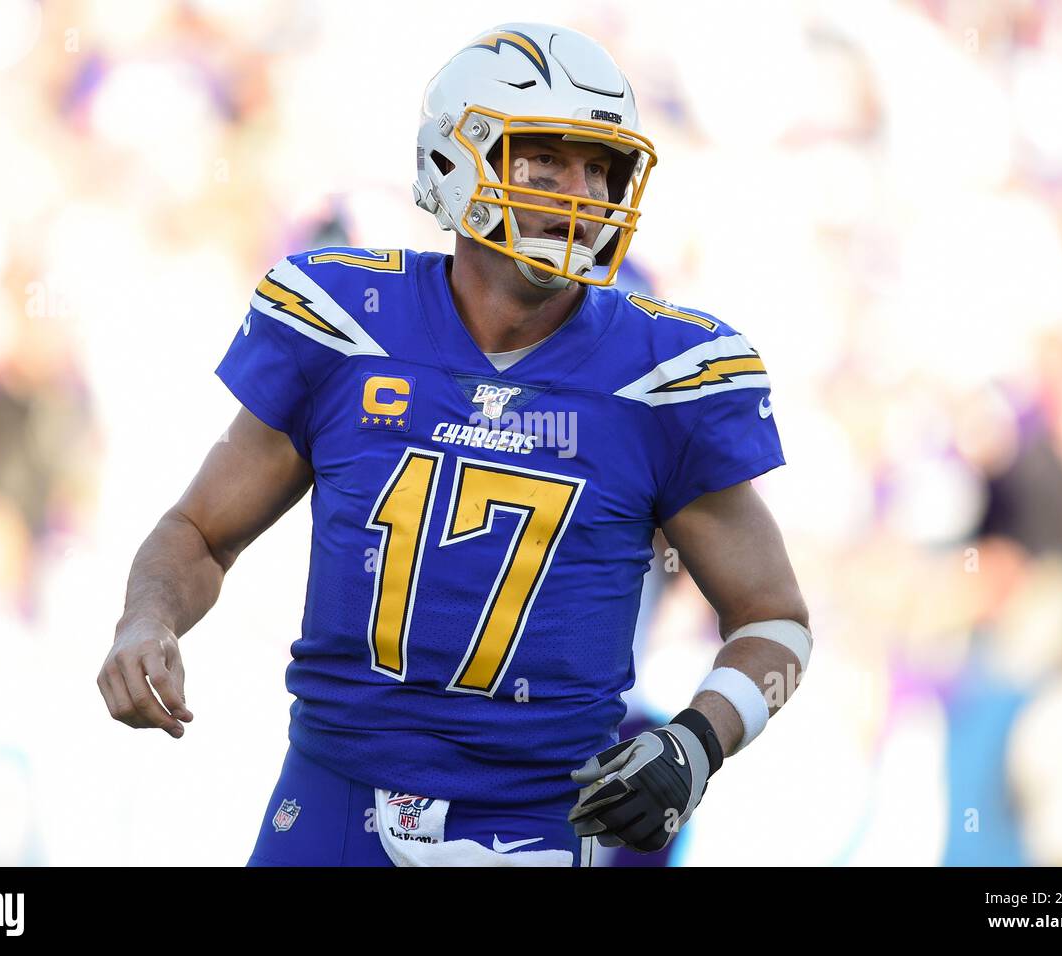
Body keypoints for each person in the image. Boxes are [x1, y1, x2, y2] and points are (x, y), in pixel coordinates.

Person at [97, 22, 811, 867]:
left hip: (542, 821)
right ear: (455, 162)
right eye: (545, 161)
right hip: (334, 802)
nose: (579, 191)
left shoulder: (661, 377)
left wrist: (698, 742)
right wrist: (147, 620)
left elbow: (775, 620)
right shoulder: (347, 328)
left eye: (599, 167)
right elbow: (200, 533)